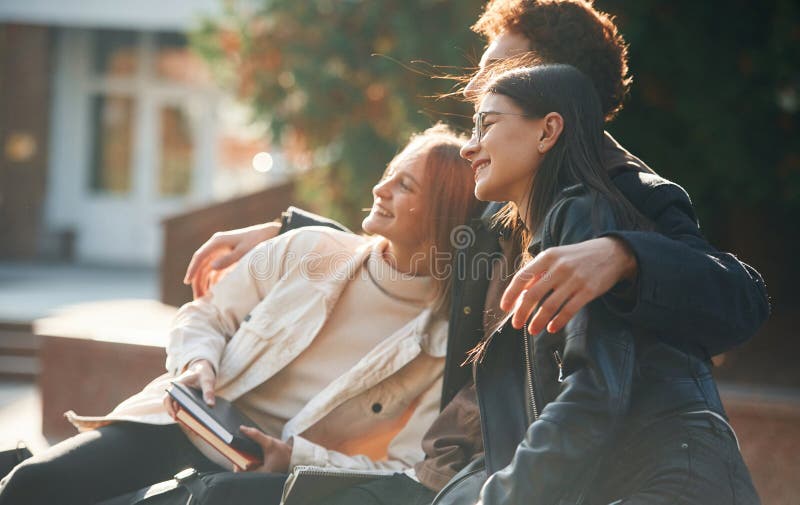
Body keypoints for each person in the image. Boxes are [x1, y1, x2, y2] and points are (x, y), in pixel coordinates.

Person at [183, 1, 769, 503]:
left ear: (550, 93)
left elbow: (741, 297)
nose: (470, 87)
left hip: (649, 473)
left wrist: (622, 255)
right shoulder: (505, 203)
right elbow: (414, 227)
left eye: (494, 69)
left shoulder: (625, 195)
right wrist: (288, 229)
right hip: (506, 468)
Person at [0, 125, 480, 505]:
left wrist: (297, 459)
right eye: (390, 173)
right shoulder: (308, 247)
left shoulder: (441, 341)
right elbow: (205, 315)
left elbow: (403, 468)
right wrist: (196, 364)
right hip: (182, 421)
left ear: (442, 212)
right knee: (32, 484)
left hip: (257, 479)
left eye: (405, 185)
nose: (380, 188)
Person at [459, 63, 760, 504]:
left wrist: (499, 497)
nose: (469, 148)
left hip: (670, 480)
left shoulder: (583, 210)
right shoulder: (549, 230)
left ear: (548, 131)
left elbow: (594, 392)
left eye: (486, 124)